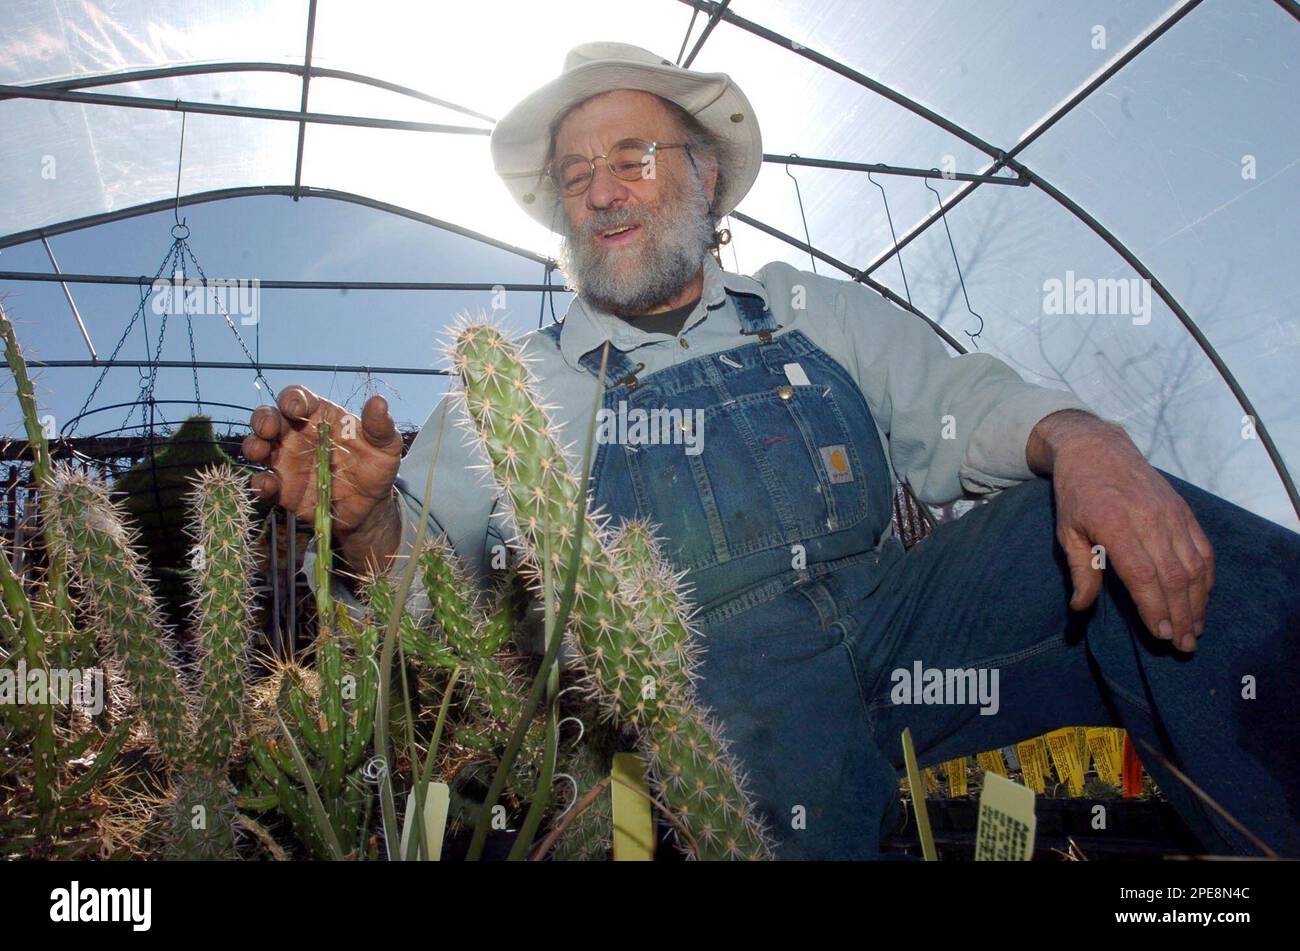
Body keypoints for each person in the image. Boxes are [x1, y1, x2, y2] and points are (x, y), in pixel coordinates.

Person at [243, 42, 1300, 860]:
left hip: (904, 632)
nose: (602, 190)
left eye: (631, 157)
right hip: (697, 679)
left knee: (1123, 524)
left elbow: (960, 405)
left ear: (703, 176)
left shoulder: (806, 311)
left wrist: (1085, 441)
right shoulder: (508, 382)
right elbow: (419, 583)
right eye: (575, 176)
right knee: (746, 711)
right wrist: (364, 520)